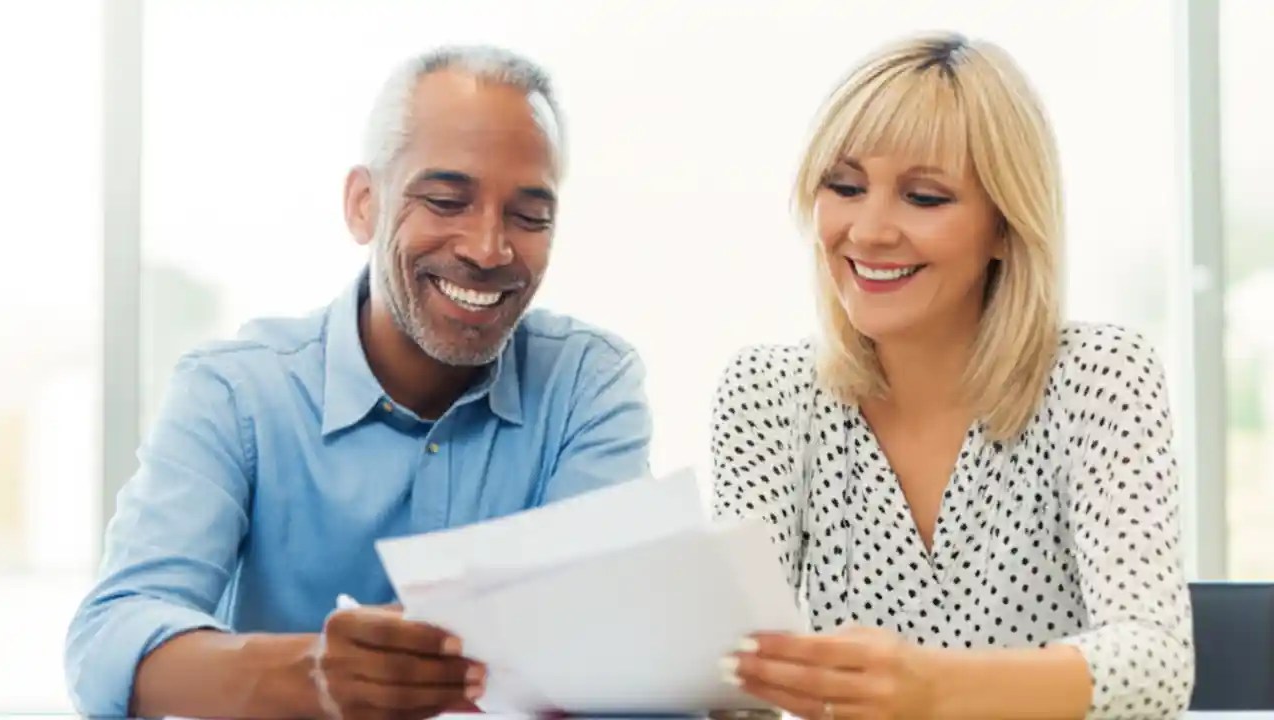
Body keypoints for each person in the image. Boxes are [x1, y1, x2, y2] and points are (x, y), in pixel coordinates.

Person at [66, 46, 652, 719]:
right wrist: (313, 675)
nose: (489, 248)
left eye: (530, 217)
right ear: (363, 205)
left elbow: (611, 662)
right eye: (445, 200)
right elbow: (107, 644)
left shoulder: (588, 385)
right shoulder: (236, 393)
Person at [712, 32, 1193, 719]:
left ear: (1005, 225)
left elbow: (1154, 665)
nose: (870, 231)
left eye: (925, 198)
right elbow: (736, 679)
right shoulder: (767, 392)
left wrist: (933, 690)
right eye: (845, 187)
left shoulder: (1100, 376)